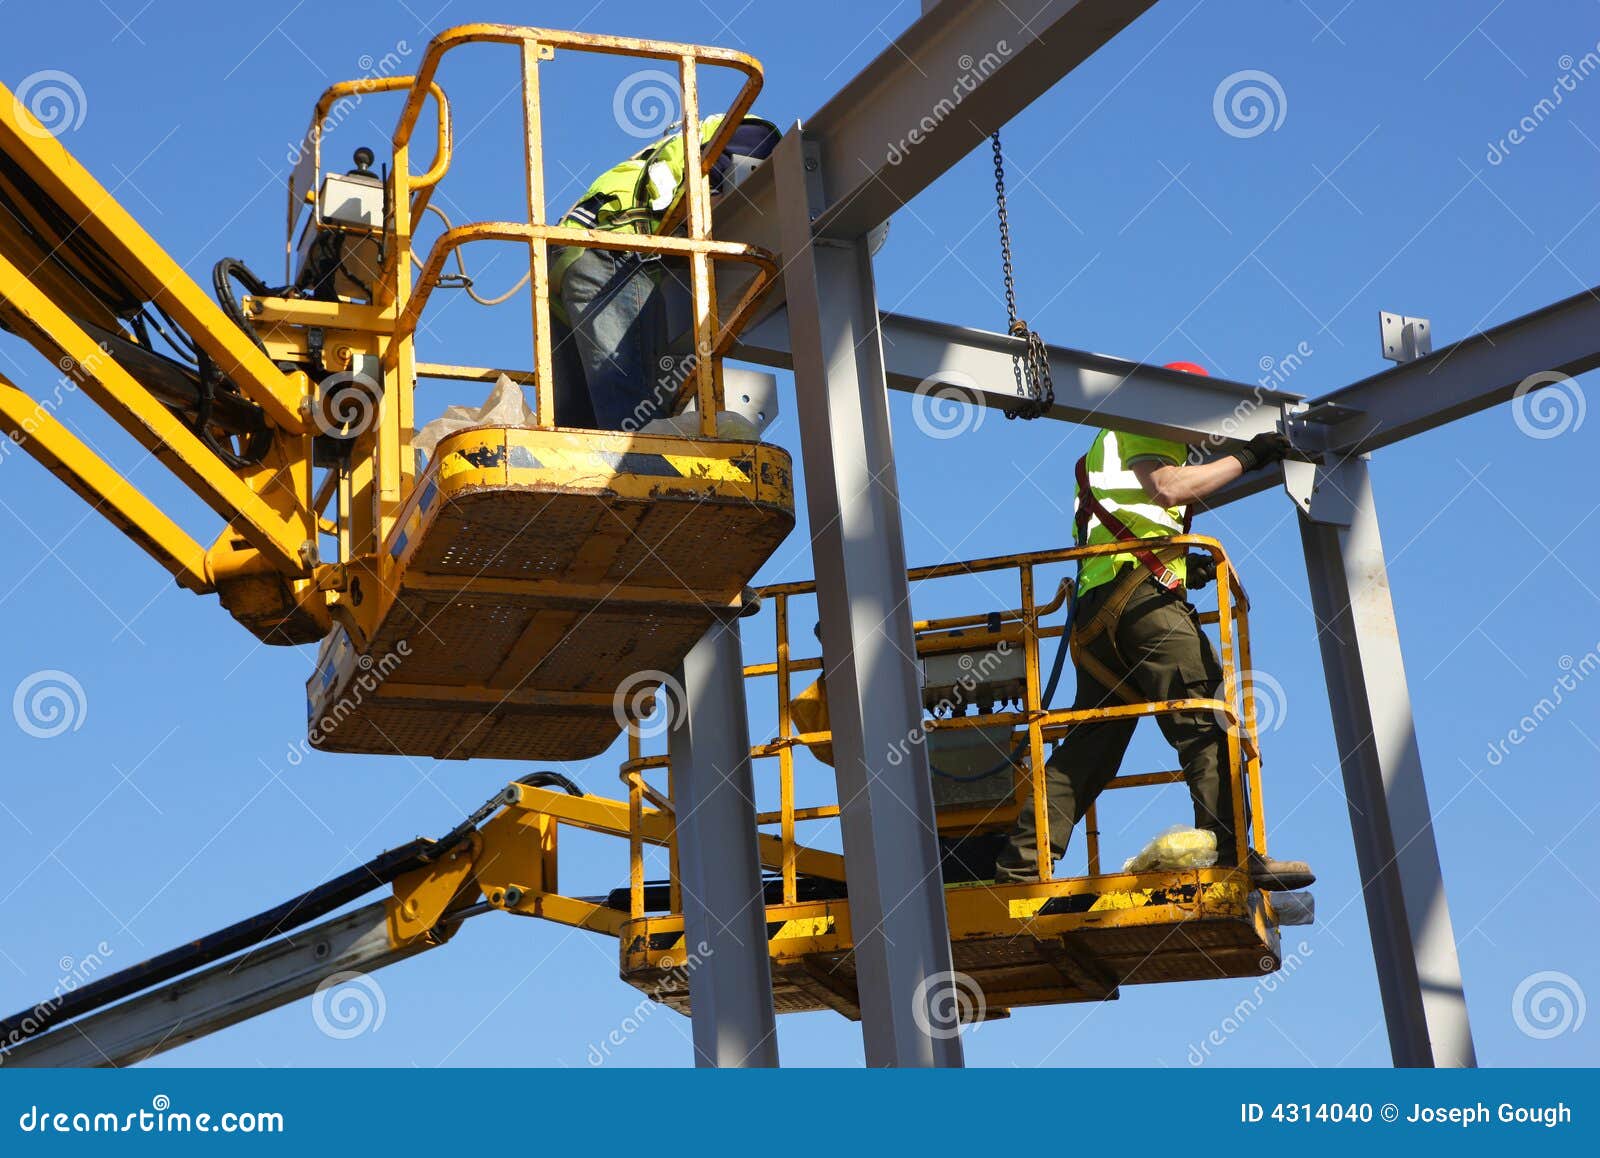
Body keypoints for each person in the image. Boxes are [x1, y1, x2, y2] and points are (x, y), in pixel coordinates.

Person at [992, 363, 1315, 891]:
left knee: (1089, 748)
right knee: (1205, 719)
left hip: (1098, 615)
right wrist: (1249, 456)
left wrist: (1187, 566)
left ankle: (1021, 871)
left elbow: (1132, 520)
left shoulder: (1107, 446)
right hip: (1140, 605)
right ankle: (1230, 855)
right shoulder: (1145, 422)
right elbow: (1168, 490)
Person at [548, 116, 780, 432]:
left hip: (568, 253)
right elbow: (704, 194)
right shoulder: (757, 133)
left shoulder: (677, 146)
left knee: (581, 427)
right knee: (631, 418)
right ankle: (640, 475)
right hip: (614, 248)